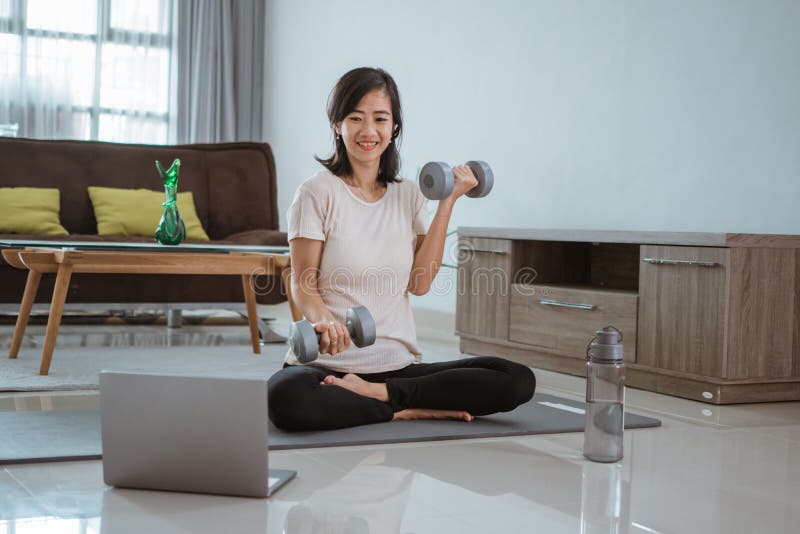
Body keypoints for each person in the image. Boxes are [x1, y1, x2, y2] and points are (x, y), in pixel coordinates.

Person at [268, 67, 535, 431]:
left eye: (380, 119)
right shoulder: (316, 192)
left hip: (396, 367)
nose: (368, 131)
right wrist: (323, 319)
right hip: (325, 368)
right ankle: (400, 408)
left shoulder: (409, 193)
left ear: (394, 127)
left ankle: (381, 395)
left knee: (516, 379)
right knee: (285, 398)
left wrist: (447, 203)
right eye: (355, 118)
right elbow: (303, 283)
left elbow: (420, 283)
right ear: (337, 125)